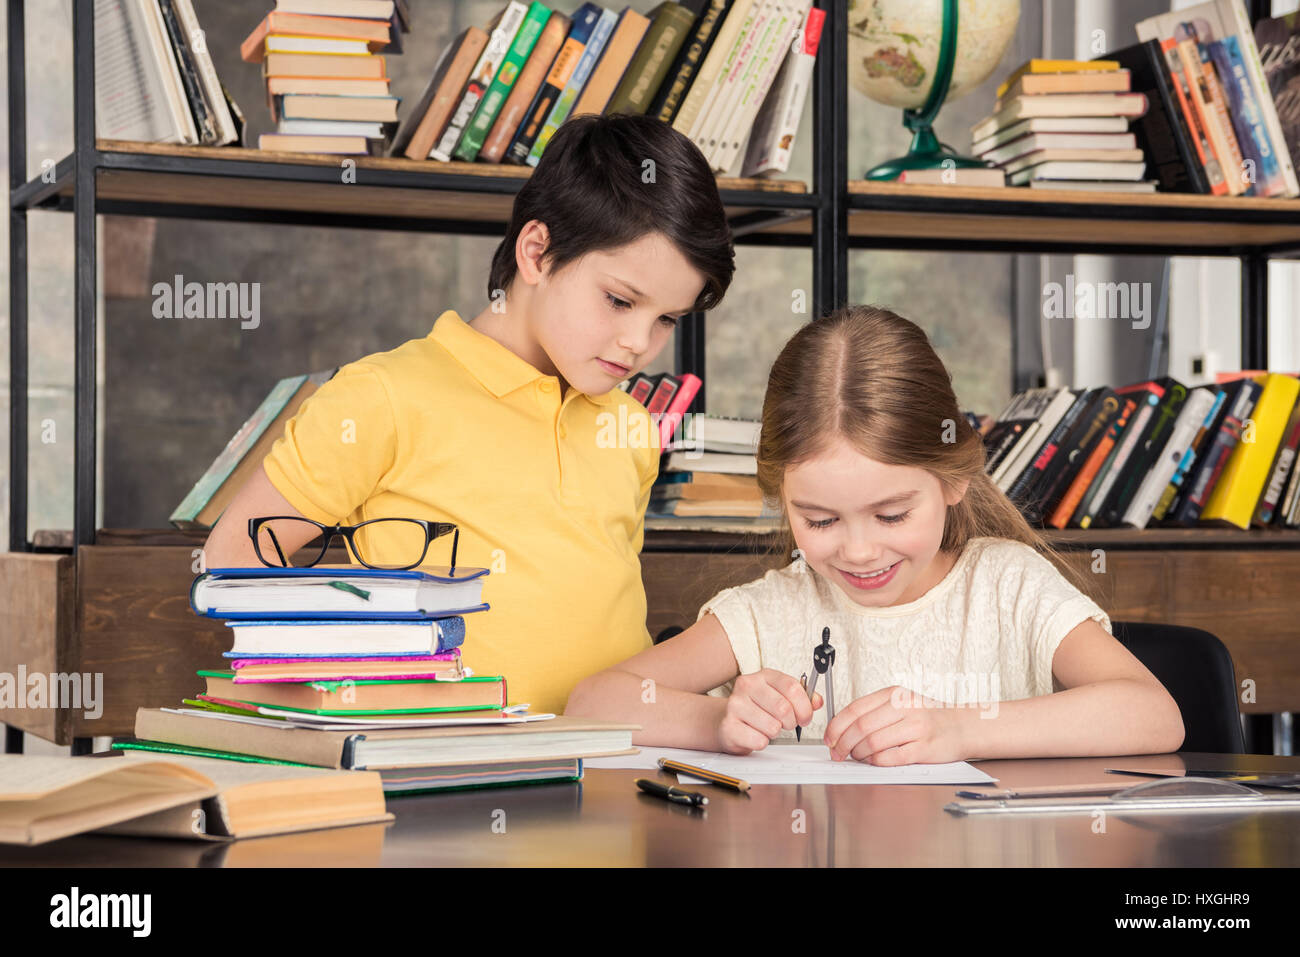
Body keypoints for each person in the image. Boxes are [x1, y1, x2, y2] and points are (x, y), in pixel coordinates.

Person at [201, 113, 735, 715]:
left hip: (615, 762)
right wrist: (343, 701)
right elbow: (233, 559)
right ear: (537, 252)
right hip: (439, 765)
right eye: (619, 300)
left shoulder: (631, 428)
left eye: (667, 319)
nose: (640, 341)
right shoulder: (383, 398)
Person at [566, 305, 1185, 763]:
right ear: (781, 498)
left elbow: (1153, 714)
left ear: (954, 478)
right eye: (820, 520)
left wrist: (960, 730)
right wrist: (718, 719)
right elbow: (594, 703)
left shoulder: (1007, 585)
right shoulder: (769, 613)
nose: (858, 551)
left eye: (891, 516)